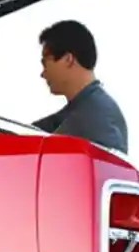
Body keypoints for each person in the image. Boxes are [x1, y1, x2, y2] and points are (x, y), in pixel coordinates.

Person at [32, 20, 129, 154]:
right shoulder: (84, 108)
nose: (43, 74)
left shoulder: (96, 115)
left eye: (45, 63)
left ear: (68, 59)